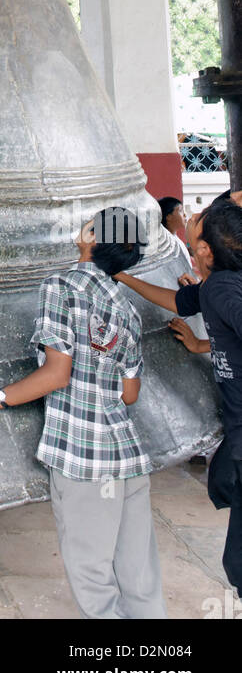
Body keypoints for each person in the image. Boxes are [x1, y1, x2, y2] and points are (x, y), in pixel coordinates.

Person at [0, 206, 166, 619]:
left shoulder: (62, 286)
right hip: (127, 457)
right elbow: (130, 393)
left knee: (92, 576)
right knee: (139, 575)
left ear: (93, 239)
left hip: (84, 458)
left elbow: (57, 373)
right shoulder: (128, 309)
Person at [116, 195, 242, 597]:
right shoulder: (217, 284)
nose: (188, 220)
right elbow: (178, 301)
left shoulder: (221, 287)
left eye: (197, 222)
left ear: (204, 249)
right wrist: (122, 276)